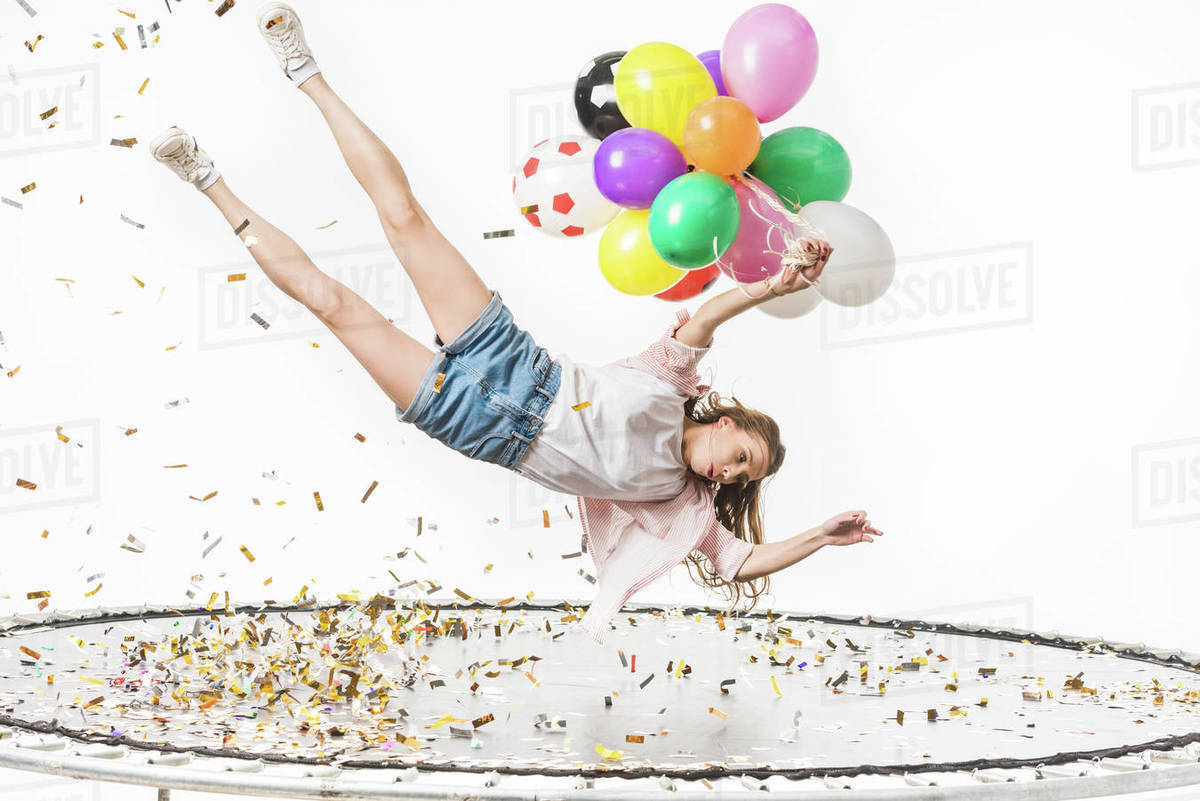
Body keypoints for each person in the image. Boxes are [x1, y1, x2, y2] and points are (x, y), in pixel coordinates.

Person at [149, 2, 883, 645]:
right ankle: (305, 69)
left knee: (333, 301)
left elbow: (737, 561)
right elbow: (713, 313)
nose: (728, 473)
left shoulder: (677, 504)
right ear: (730, 422)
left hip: (469, 419)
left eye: (738, 477)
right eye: (741, 455)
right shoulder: (670, 381)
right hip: (510, 358)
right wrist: (774, 282)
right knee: (405, 218)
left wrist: (822, 534)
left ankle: (205, 177)